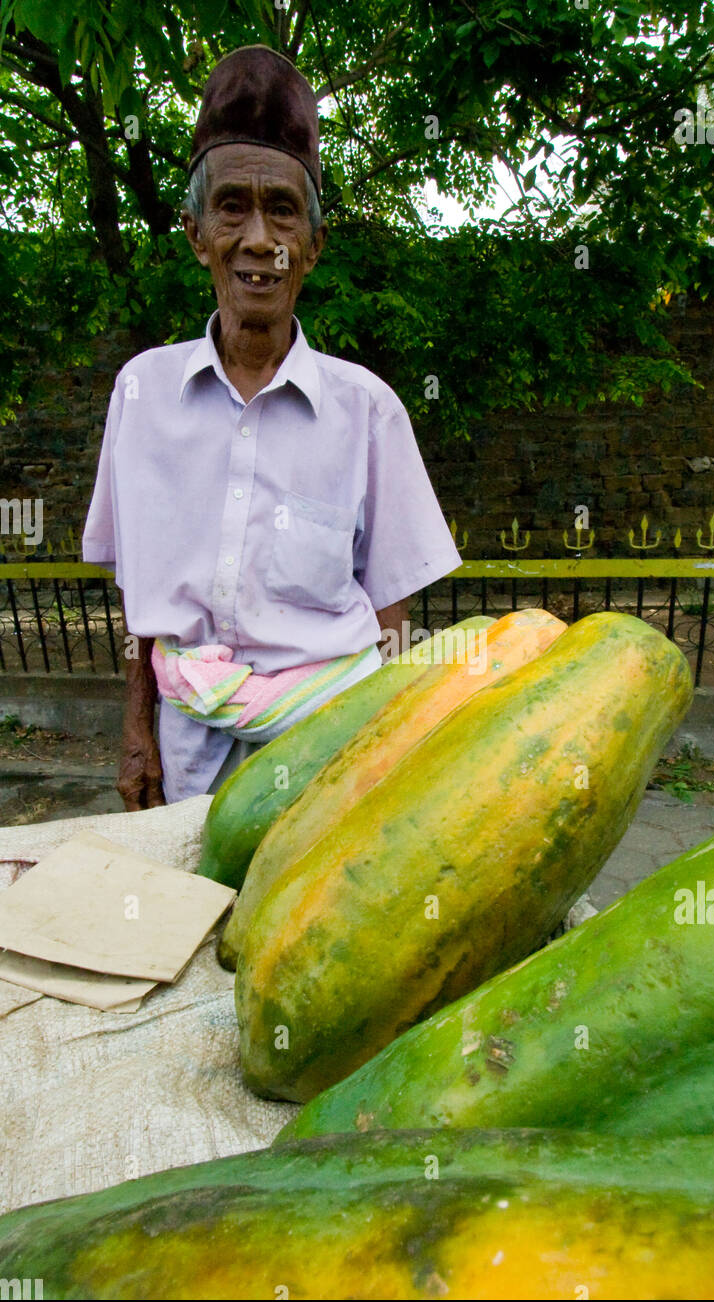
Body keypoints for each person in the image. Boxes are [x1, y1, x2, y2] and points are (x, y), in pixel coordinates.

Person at [82, 46, 461, 810]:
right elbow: (137, 587)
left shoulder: (369, 413)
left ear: (313, 246)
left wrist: (381, 753)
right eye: (233, 207)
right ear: (196, 234)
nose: (260, 238)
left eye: (283, 209)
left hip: (325, 755)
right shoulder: (141, 394)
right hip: (190, 750)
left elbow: (389, 613)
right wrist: (136, 727)